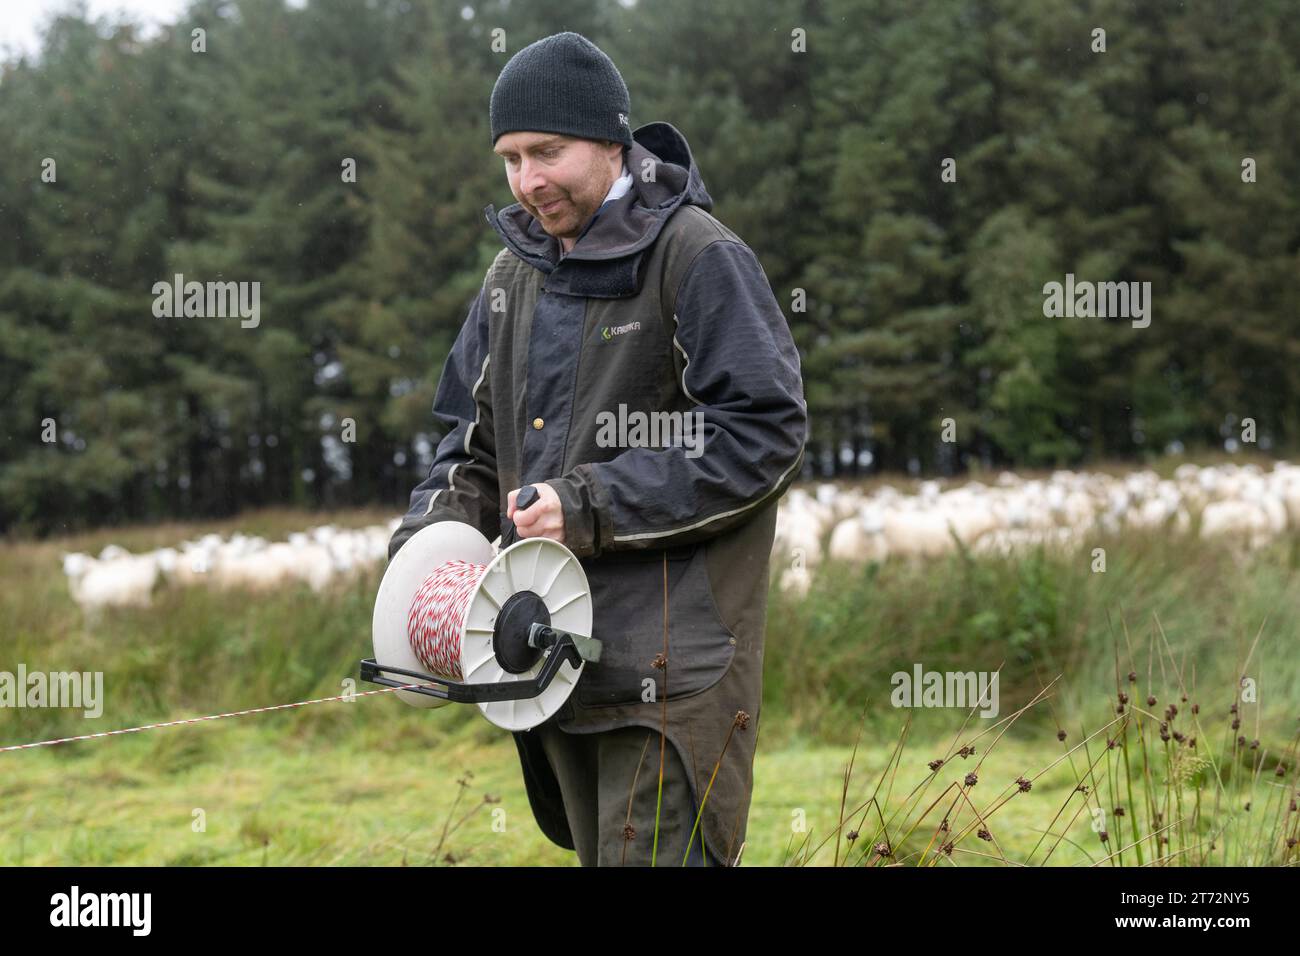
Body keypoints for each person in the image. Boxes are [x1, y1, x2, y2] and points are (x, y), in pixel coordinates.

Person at [388, 31, 807, 866]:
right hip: (546, 665)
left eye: (548, 151)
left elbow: (763, 434)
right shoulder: (511, 279)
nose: (527, 180)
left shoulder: (698, 257)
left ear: (612, 143)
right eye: (510, 158)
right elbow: (468, 452)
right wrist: (421, 549)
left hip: (671, 675)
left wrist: (587, 507)